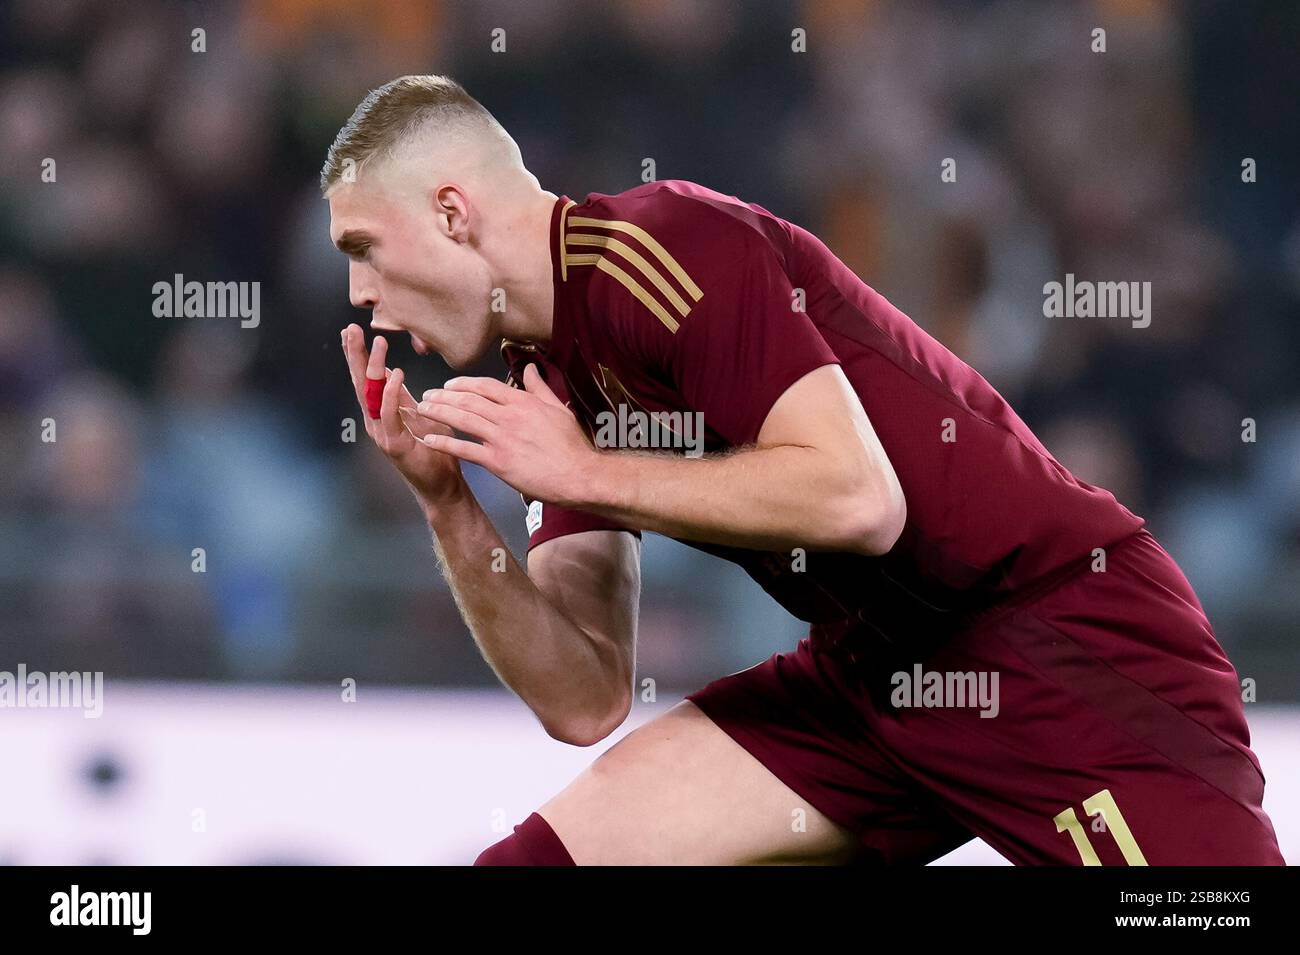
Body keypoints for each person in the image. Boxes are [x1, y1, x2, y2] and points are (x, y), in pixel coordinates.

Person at [324, 75, 1283, 865]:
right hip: (874, 682)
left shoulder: (663, 248)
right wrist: (448, 504)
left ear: (452, 212)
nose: (361, 295)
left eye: (361, 248)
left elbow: (857, 498)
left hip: (1057, 641)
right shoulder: (541, 374)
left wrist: (588, 469)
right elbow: (585, 699)